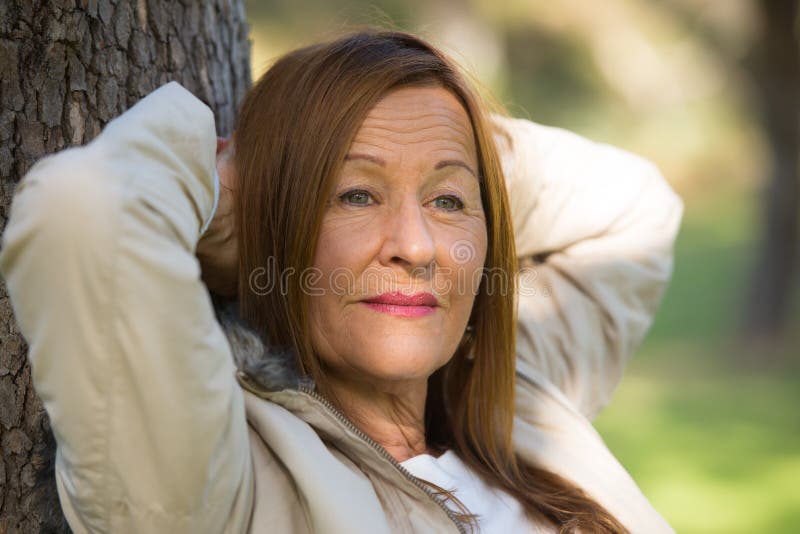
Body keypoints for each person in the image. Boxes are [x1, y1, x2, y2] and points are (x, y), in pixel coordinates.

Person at [0, 29, 682, 533]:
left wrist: (455, 139)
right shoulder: (218, 479)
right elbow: (85, 209)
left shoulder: (518, 400)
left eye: (448, 202)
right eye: (355, 194)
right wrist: (234, 197)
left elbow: (635, 203)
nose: (417, 247)